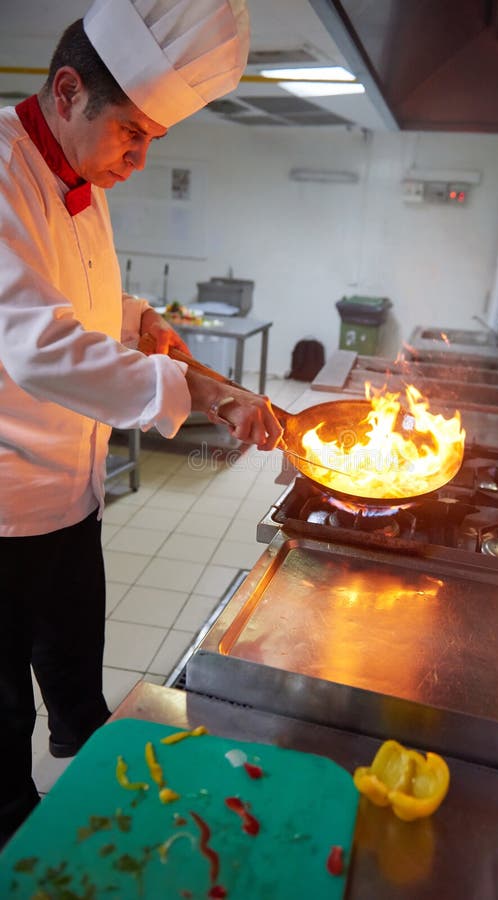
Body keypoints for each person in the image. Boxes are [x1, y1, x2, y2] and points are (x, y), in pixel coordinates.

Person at [0, 0, 282, 848]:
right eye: (132, 129)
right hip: (4, 509)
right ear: (66, 90)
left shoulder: (80, 183)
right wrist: (199, 392)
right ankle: (20, 847)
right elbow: (34, 342)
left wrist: (133, 319)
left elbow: (74, 303)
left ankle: (105, 820)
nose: (141, 155)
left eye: (151, 135)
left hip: (71, 502)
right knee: (3, 717)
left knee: (82, 696)